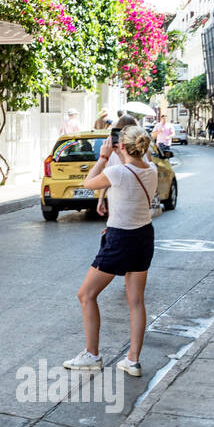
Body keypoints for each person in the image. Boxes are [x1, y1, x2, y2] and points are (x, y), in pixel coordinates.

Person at [64, 126, 158, 379]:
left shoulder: (117, 171)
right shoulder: (152, 170)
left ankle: (92, 355)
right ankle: (133, 360)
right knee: (136, 301)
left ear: (122, 147)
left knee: (86, 294)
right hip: (143, 236)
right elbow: (140, 161)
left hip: (120, 239)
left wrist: (103, 157)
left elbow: (88, 183)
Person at [96, 113, 137, 218]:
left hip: (117, 198)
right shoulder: (143, 150)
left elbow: (90, 183)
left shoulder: (112, 150)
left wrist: (101, 199)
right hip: (137, 198)